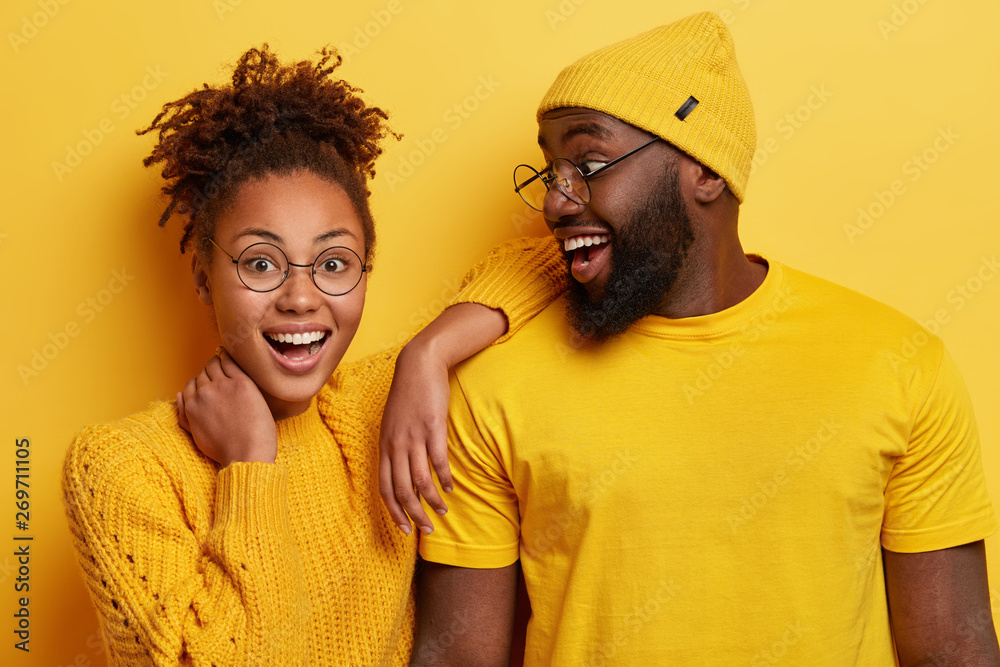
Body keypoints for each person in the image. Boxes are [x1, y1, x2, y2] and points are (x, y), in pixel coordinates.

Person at [394, 12, 1000, 665]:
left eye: (589, 162)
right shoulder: (490, 388)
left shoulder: (900, 366)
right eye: (550, 171)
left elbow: (955, 651)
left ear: (706, 171)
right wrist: (426, 348)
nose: (556, 202)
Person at [61, 45, 564, 666]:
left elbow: (550, 260)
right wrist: (249, 464)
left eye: (333, 264)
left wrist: (426, 354)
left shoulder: (379, 410)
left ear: (366, 272)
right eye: (261, 263)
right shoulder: (122, 467)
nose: (301, 298)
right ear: (202, 276)